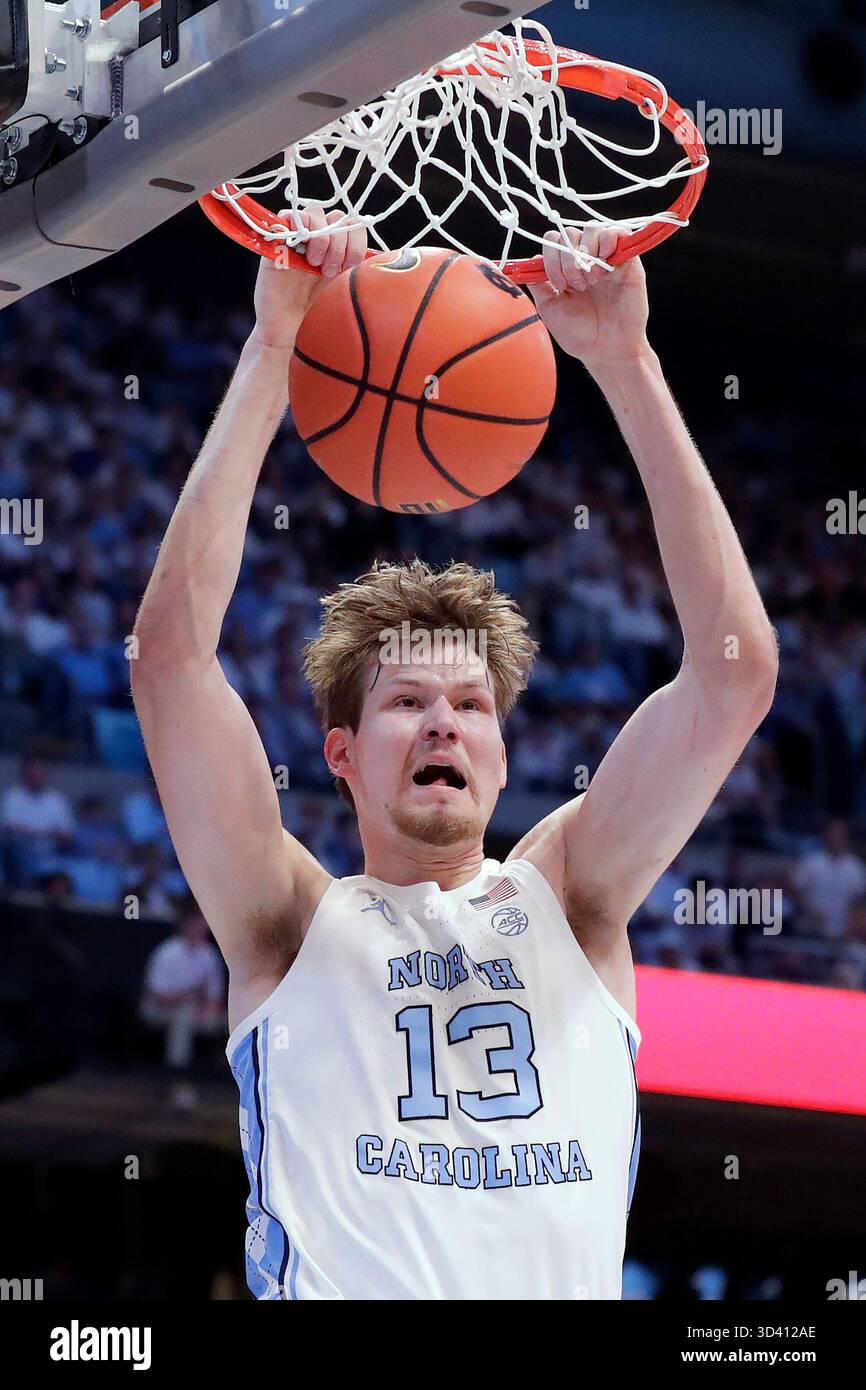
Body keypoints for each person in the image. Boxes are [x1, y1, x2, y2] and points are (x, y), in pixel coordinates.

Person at [131, 210, 778, 1299]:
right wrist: (275, 344)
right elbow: (168, 663)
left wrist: (626, 364)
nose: (443, 722)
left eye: (470, 702)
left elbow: (732, 675)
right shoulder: (285, 920)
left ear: (501, 741)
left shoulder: (570, 897)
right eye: (407, 702)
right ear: (338, 751)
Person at [139, 899, 226, 1108]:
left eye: (204, 924)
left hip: (197, 1013)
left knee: (238, 1022)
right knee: (183, 1018)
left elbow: (215, 998)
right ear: (185, 925)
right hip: (157, 1010)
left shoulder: (209, 955)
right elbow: (158, 997)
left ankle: (234, 1087)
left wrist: (207, 1012)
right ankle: (179, 1084)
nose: (201, 929)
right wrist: (190, 997)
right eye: (196, 924)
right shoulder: (167, 952)